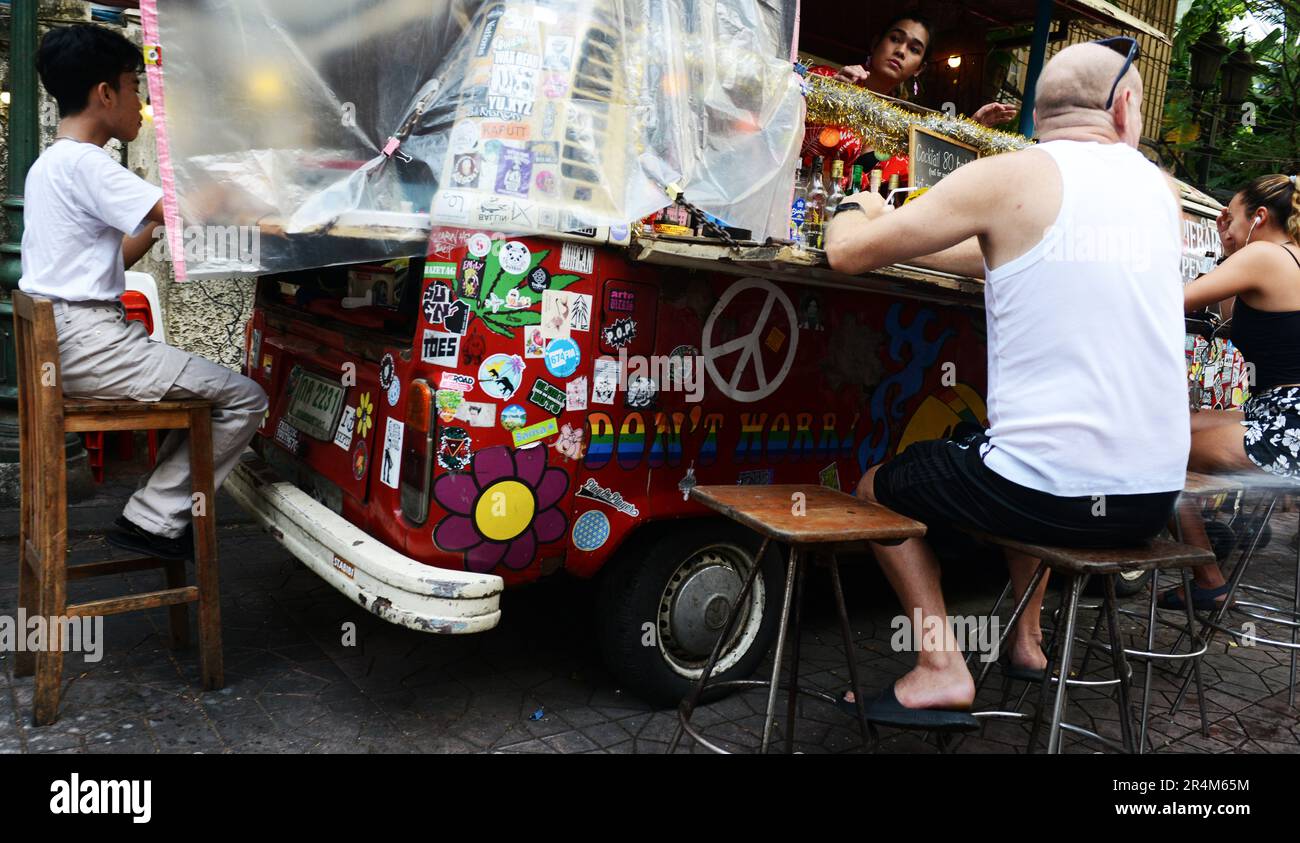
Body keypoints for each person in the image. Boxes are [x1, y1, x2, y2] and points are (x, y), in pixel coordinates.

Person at [823, 40, 1189, 725]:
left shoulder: (1010, 176)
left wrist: (858, 202)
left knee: (876, 485)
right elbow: (1010, 255)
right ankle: (1026, 641)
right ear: (1126, 107)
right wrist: (903, 230)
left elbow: (845, 253)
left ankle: (938, 663)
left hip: (1050, 496)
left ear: (1039, 112)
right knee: (1003, 446)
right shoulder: (1161, 194)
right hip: (1149, 500)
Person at [20, 25, 268, 561]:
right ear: (105, 93)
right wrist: (226, 184)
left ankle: (155, 512)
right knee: (245, 397)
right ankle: (154, 518)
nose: (141, 105)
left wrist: (157, 225)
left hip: (70, 338)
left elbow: (113, 255)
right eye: (134, 88)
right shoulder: (87, 163)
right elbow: (188, 212)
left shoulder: (52, 163)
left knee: (212, 394)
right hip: (90, 343)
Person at [1162, 174, 1300, 610]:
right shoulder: (1284, 260)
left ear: (1259, 218)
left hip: (1286, 425)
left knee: (1150, 445)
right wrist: (1227, 251)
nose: (1225, 224)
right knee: (1168, 426)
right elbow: (1226, 322)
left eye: (1230, 215)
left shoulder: (1265, 255)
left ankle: (1207, 580)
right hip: (1278, 413)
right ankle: (1205, 570)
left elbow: (1169, 301)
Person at [833, 12, 1017, 128]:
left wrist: (973, 125)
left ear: (919, 68)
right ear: (875, 43)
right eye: (895, 39)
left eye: (914, 49)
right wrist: (833, 92)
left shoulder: (906, 121)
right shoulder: (826, 79)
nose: (900, 51)